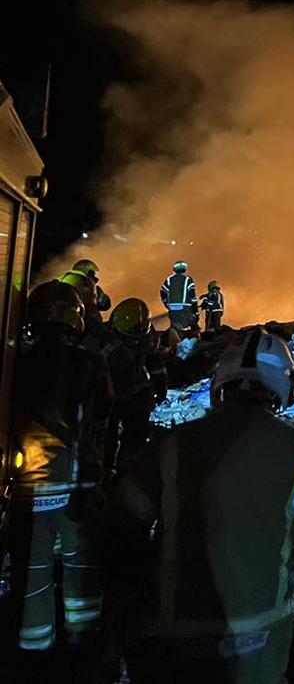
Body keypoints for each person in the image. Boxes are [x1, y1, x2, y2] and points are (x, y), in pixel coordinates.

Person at [112, 330, 294, 683]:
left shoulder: (171, 445)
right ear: (283, 385)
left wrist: (146, 593)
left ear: (221, 381)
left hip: (171, 640)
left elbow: (121, 530)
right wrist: (292, 589)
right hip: (258, 641)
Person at [5, 281, 114, 680]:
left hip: (29, 490)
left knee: (32, 574)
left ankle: (34, 651)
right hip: (77, 489)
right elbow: (105, 411)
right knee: (80, 570)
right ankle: (82, 648)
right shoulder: (90, 364)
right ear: (76, 318)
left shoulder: (16, 364)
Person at [100, 298, 167, 477]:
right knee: (106, 436)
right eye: (129, 339)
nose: (135, 343)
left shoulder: (148, 336)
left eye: (138, 339)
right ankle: (105, 472)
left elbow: (155, 361)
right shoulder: (101, 339)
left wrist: (161, 385)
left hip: (134, 391)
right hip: (108, 393)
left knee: (138, 431)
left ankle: (127, 471)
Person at [160, 260, 198, 337]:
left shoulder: (169, 279)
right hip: (185, 307)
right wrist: (195, 311)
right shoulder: (188, 279)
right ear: (185, 269)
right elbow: (192, 296)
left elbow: (163, 291)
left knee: (175, 328)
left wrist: (166, 302)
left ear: (175, 269)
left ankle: (175, 341)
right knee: (185, 328)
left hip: (172, 307)